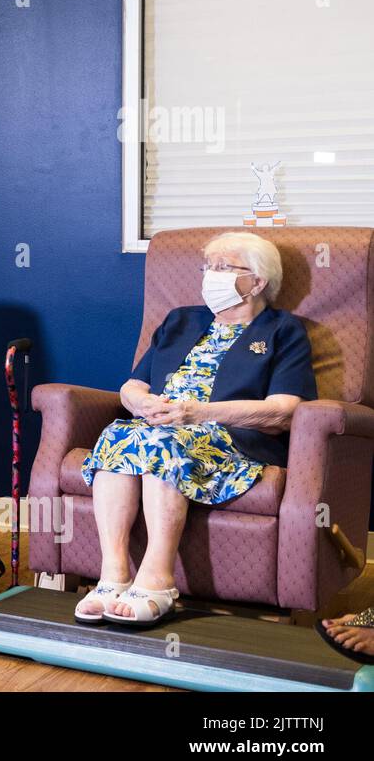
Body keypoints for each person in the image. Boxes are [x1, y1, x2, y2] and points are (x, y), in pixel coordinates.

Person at [74, 231, 316, 627]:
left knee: (159, 440)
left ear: (257, 281)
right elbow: (134, 384)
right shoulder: (181, 320)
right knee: (119, 433)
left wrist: (199, 413)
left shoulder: (282, 330)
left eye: (223, 267)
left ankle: (157, 580)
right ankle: (113, 576)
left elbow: (284, 411)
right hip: (159, 427)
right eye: (208, 266)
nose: (210, 275)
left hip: (232, 438)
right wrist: (140, 403)